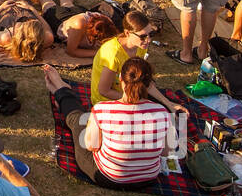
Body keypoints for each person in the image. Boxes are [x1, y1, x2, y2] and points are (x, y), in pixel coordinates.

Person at [46, 60, 170, 188]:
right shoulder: (163, 112)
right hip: (148, 178)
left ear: (120, 79)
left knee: (78, 121)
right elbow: (166, 152)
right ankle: (62, 91)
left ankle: (62, 91)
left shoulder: (103, 109)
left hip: (107, 177)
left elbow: (91, 146)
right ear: (149, 84)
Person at [89, 11, 182, 112]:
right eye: (143, 36)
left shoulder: (140, 46)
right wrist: (136, 101)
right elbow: (104, 91)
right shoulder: (113, 54)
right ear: (127, 33)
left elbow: (143, 80)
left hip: (130, 94)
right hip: (107, 101)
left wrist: (169, 103)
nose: (148, 40)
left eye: (151, 34)